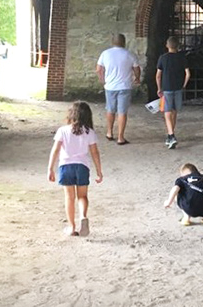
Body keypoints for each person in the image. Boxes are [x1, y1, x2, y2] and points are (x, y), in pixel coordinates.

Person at [47, 101, 103, 237]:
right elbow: (95, 152)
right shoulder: (89, 132)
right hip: (82, 166)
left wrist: (50, 168)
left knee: (69, 197)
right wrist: (99, 171)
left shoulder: (63, 130)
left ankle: (71, 227)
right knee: (82, 196)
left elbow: (55, 150)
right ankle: (83, 216)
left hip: (65, 166)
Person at [96, 33, 140, 145]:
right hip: (125, 86)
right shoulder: (129, 54)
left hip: (110, 86)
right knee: (122, 112)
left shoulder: (105, 54)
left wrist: (102, 79)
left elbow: (99, 69)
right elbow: (136, 68)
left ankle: (109, 132)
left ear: (112, 42)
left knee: (110, 110)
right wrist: (137, 78)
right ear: (124, 42)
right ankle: (121, 137)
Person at [155, 36, 190, 149]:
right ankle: (171, 135)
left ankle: (171, 135)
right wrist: (184, 85)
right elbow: (188, 74)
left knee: (167, 112)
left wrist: (159, 88)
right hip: (178, 88)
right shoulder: (182, 58)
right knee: (174, 112)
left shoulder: (162, 58)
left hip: (167, 88)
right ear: (178, 46)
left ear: (167, 45)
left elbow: (158, 75)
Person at [164, 162, 203, 227]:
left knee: (178, 192)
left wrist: (168, 202)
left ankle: (186, 218)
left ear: (184, 173)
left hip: (189, 209)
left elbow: (175, 189)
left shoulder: (182, 179)